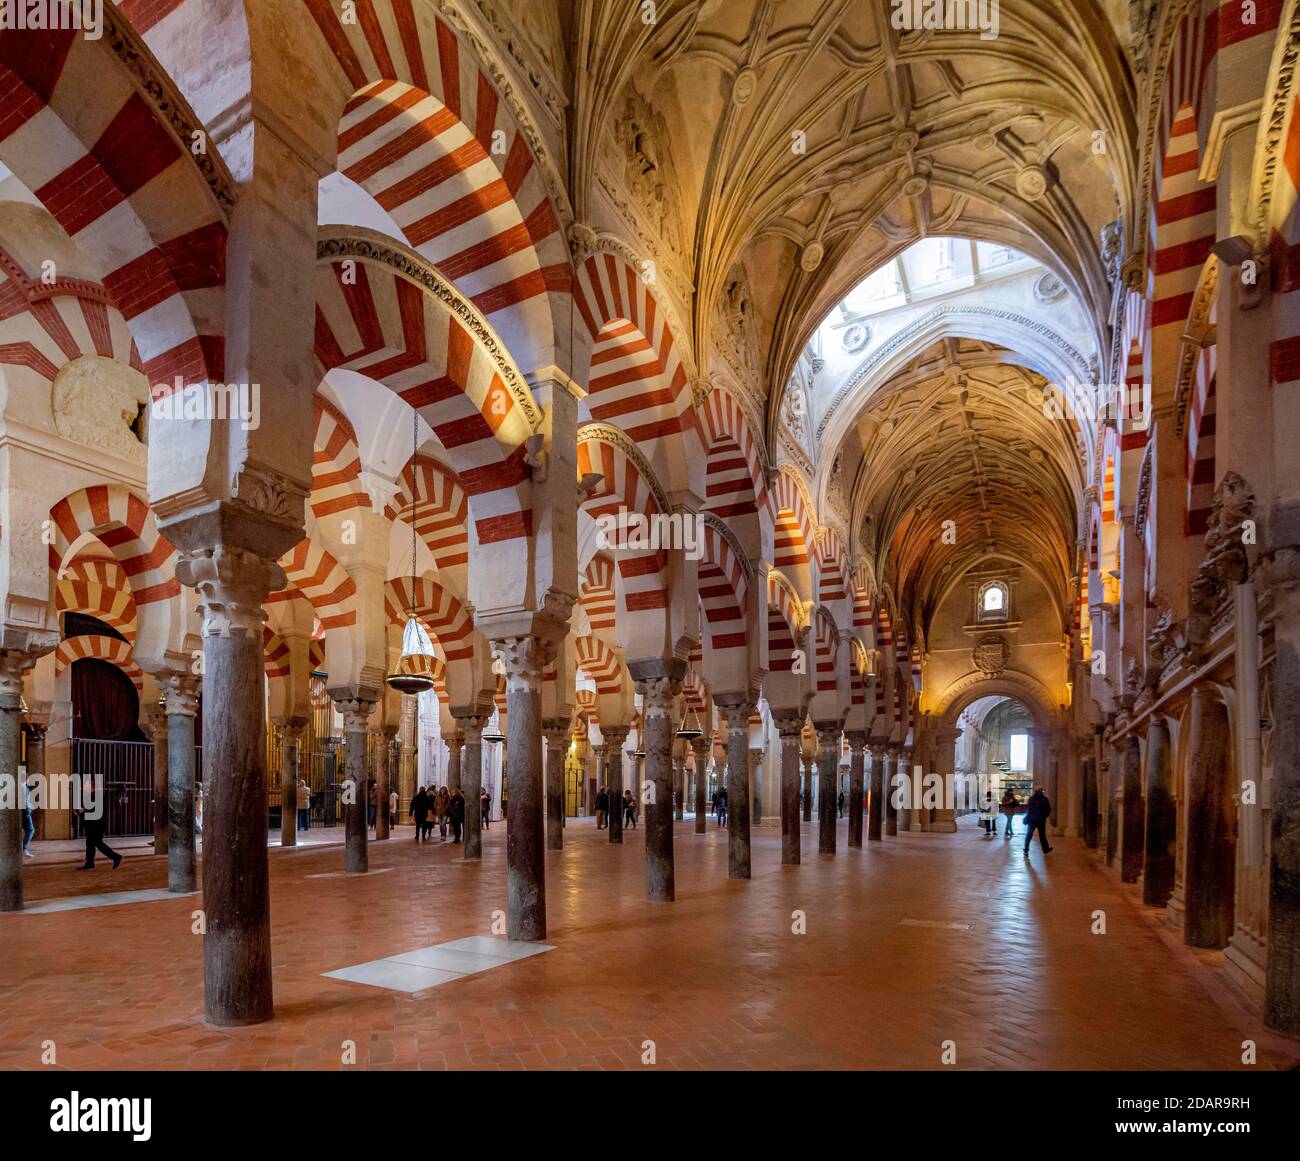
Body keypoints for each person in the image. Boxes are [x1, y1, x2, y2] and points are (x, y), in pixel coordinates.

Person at [76, 777, 121, 870]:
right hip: (91, 824)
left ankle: (116, 857)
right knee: (90, 844)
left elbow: (95, 809)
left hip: (97, 825)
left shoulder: (98, 796)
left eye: (86, 786)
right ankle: (89, 863)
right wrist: (79, 811)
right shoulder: (90, 796)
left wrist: (83, 810)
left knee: (97, 843)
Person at [1023, 787, 1053, 855]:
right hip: (1041, 820)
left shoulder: (1031, 799)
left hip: (1032, 819)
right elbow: (1048, 809)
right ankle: (1045, 849)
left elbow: (1029, 809)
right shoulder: (1044, 799)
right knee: (1042, 835)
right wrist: (1044, 815)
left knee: (1029, 834)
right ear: (1041, 791)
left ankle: (1026, 849)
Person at [21, 776, 36, 858]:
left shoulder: (22, 787)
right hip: (25, 813)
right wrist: (27, 811)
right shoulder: (23, 787)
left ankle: (23, 849)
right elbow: (24, 801)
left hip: (25, 812)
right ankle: (24, 849)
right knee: (31, 830)